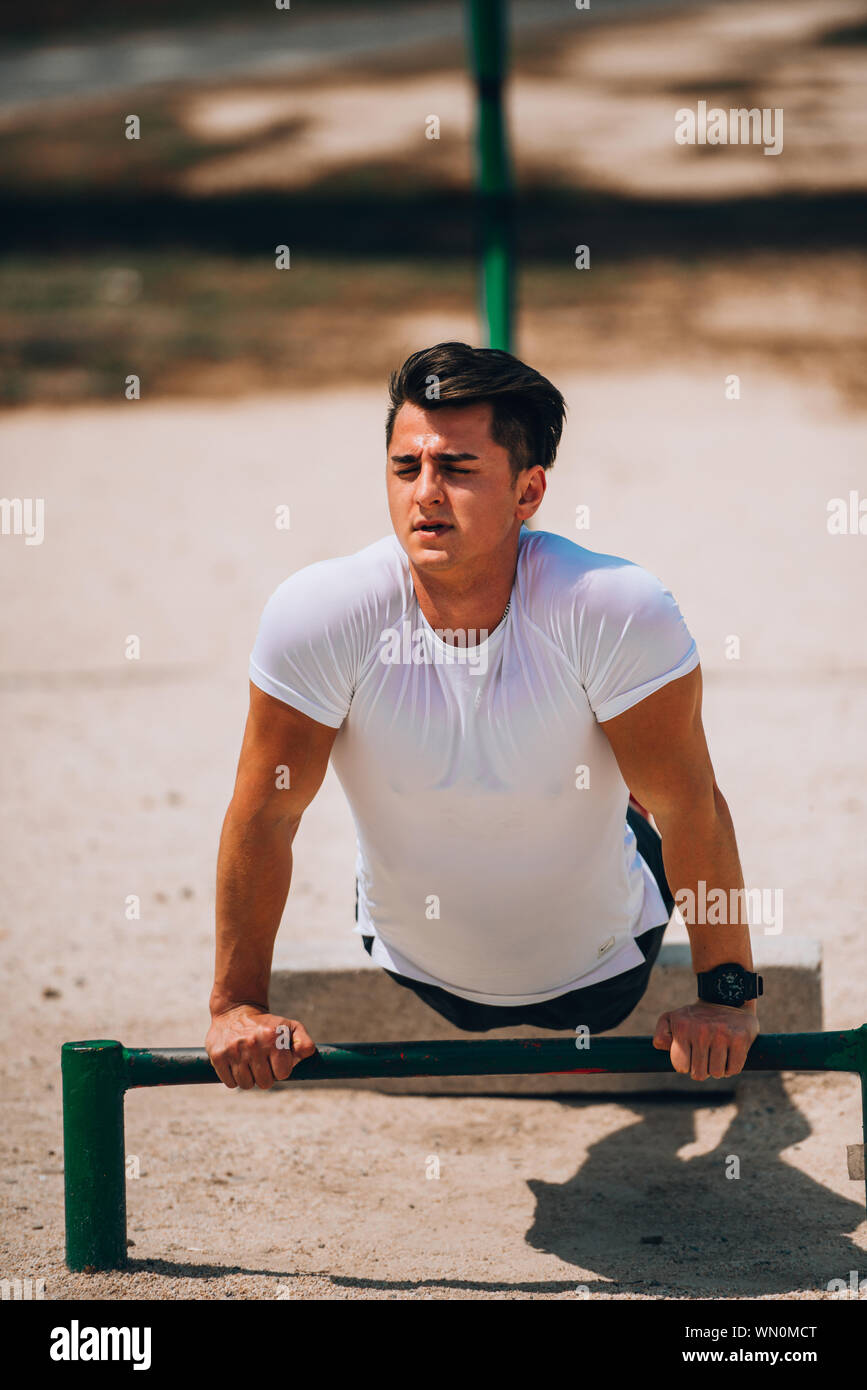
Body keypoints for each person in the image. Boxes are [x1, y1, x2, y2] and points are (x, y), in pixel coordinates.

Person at [206, 342, 760, 1091]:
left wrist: (726, 998)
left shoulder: (613, 606)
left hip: (603, 970)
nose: (425, 493)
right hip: (414, 961)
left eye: (457, 469)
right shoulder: (319, 613)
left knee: (656, 791)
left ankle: (611, 798)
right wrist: (236, 1004)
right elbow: (265, 811)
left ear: (528, 493)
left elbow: (691, 807)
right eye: (407, 468)